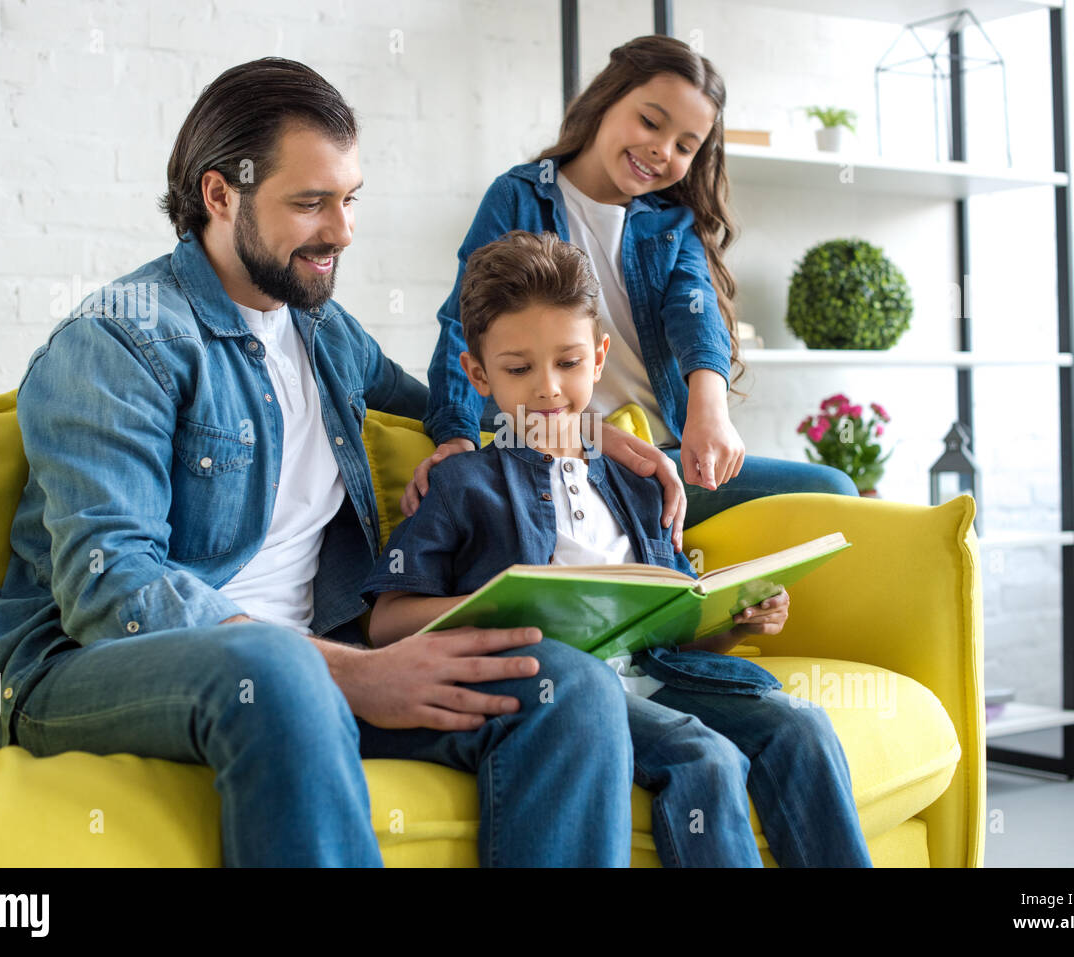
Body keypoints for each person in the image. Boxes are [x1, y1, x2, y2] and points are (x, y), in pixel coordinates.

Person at [0, 57, 635, 868]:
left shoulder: (324, 333)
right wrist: (347, 671)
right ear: (219, 194)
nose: (341, 231)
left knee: (565, 686)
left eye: (348, 200)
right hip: (88, 671)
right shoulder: (121, 341)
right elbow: (111, 591)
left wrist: (586, 435)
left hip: (299, 665)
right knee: (275, 666)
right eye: (310, 203)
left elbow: (460, 403)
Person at [363, 230, 871, 867]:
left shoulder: (635, 478)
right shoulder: (463, 485)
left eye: (569, 363)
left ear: (599, 357)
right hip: (563, 697)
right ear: (477, 374)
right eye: (519, 369)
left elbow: (676, 622)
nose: (548, 389)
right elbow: (384, 623)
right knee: (704, 754)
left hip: (661, 677)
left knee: (801, 726)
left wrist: (735, 618)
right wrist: (494, 607)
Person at [407, 35, 860, 534]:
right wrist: (456, 434)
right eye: (650, 122)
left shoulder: (674, 223)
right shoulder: (519, 196)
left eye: (685, 146)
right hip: (552, 443)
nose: (660, 150)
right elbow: (463, 326)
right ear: (606, 99)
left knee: (835, 493)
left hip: (660, 452)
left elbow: (696, 314)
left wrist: (709, 414)